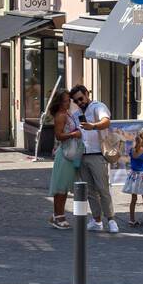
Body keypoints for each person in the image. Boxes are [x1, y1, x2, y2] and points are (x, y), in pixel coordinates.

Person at [69, 85, 117, 232]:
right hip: (82, 155)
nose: (79, 102)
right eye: (76, 101)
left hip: (97, 154)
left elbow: (106, 121)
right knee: (90, 191)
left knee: (103, 189)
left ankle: (111, 220)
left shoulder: (98, 106)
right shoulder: (76, 114)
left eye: (81, 99)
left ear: (87, 94)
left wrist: (93, 126)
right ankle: (97, 220)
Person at [48, 90, 82, 229]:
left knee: (65, 187)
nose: (69, 103)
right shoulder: (61, 116)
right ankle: (58, 216)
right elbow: (58, 136)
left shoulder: (68, 114)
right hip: (65, 154)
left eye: (69, 100)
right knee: (61, 187)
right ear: (60, 102)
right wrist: (74, 134)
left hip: (71, 153)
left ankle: (57, 215)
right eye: (66, 101)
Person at [123, 127, 143, 229]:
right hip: (142, 176)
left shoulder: (132, 150)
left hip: (133, 176)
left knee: (133, 199)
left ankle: (132, 219)